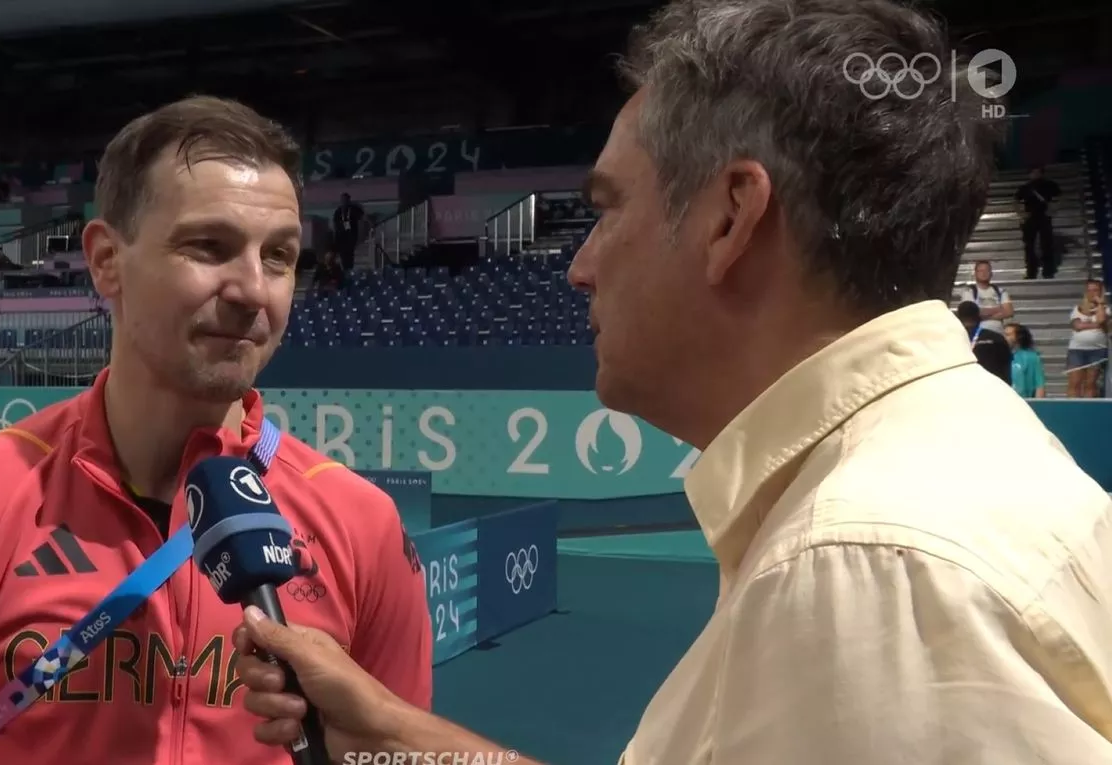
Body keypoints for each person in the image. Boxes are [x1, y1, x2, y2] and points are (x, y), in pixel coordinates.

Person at [234, 2, 1112, 763]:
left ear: (731, 217)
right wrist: (396, 737)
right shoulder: (952, 463)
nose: (578, 267)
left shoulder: (869, 568)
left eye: (609, 208)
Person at [0, 96, 432, 765]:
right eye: (209, 246)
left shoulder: (362, 527)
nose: (254, 288)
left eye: (279, 256)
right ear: (107, 260)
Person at [1015, 166, 1060, 279]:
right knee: (1029, 245)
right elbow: (1015, 201)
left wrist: (1053, 209)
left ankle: (1048, 271)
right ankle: (1031, 272)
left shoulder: (1050, 185)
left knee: (1047, 244)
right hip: (1030, 217)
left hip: (1044, 216)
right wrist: (1021, 214)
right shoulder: (1025, 188)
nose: (1035, 174)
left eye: (1037, 172)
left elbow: (1060, 197)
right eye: (1033, 172)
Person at [1067, 278, 1107, 398]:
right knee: (1074, 383)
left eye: (1095, 290)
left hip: (1097, 350)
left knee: (1091, 384)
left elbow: (1101, 320)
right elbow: (1077, 325)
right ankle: (1072, 410)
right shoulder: (1077, 309)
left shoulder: (1106, 310)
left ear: (1100, 292)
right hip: (1077, 350)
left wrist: (1100, 303)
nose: (1092, 293)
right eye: (1089, 290)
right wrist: (1097, 326)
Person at [956, 300, 1011, 385]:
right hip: (992, 387)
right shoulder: (996, 338)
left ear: (958, 319)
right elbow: (1006, 366)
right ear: (978, 318)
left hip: (962, 386)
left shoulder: (951, 339)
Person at [963, 259, 1012, 333]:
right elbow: (972, 312)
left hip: (999, 333)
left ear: (991, 273)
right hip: (978, 333)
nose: (984, 273)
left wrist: (983, 315)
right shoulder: (969, 291)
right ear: (975, 274)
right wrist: (999, 309)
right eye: (980, 271)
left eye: (986, 270)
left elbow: (1009, 311)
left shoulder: (1000, 291)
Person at [1005, 323, 1046, 398]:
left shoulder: (1031, 357)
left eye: (1008, 335)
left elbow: (1039, 385)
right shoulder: (1000, 356)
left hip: (1024, 402)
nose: (1004, 338)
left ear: (1019, 337)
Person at [332, 193, 364, 271]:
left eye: (345, 200)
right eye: (342, 200)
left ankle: (349, 269)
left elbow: (362, 216)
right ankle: (345, 269)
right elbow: (335, 223)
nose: (344, 202)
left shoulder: (353, 209)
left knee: (350, 254)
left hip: (351, 236)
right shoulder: (338, 211)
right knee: (343, 255)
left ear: (349, 200)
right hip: (341, 237)